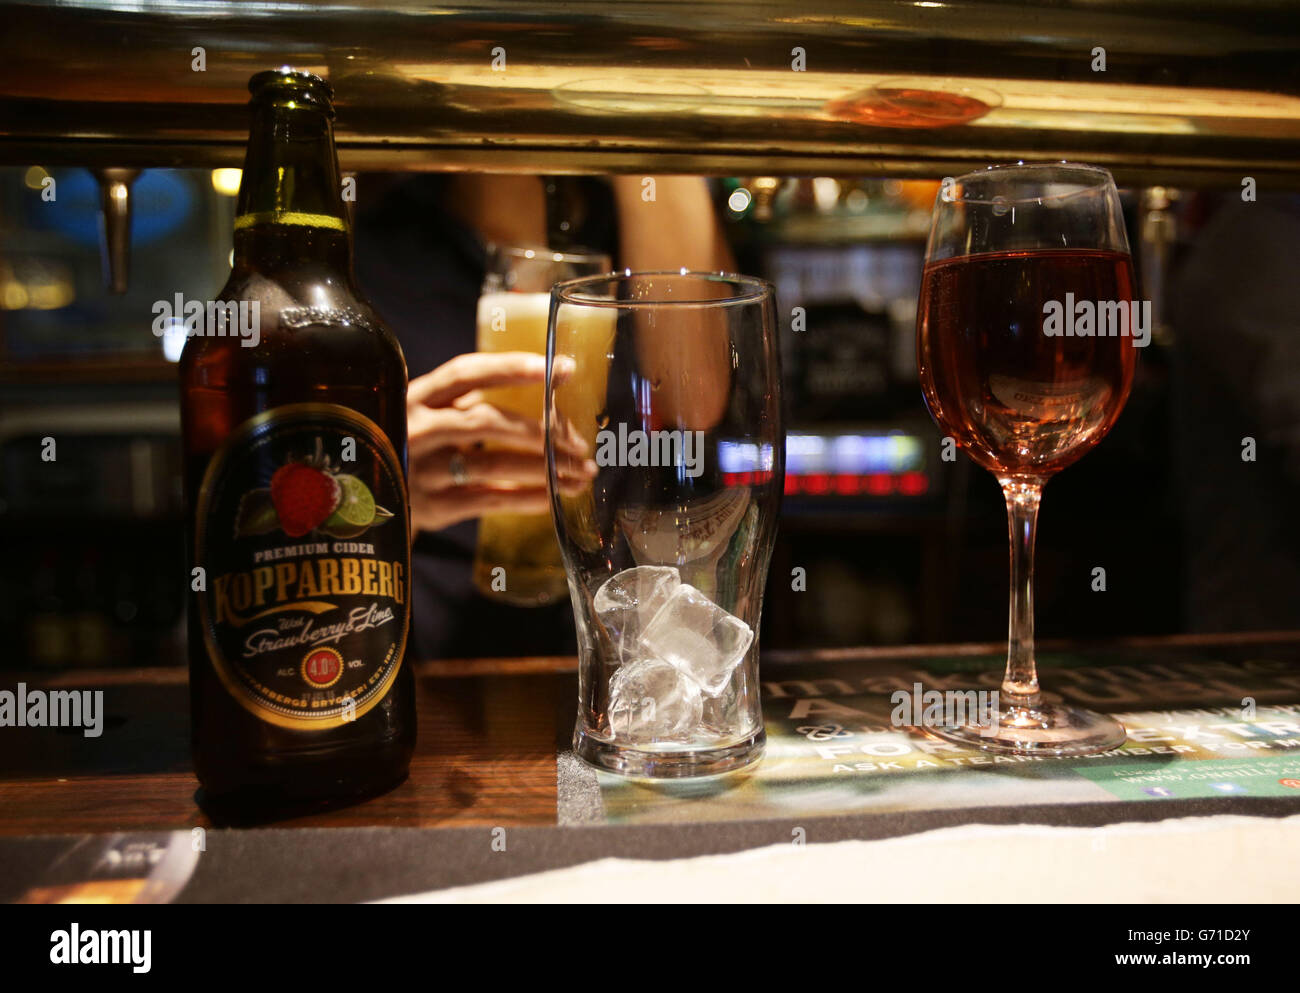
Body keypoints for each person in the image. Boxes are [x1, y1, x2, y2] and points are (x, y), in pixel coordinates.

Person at [354, 174, 734, 658]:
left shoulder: (627, 220)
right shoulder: (372, 240)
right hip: (423, 641)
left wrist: (636, 143)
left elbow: (694, 400)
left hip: (617, 632)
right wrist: (379, 485)